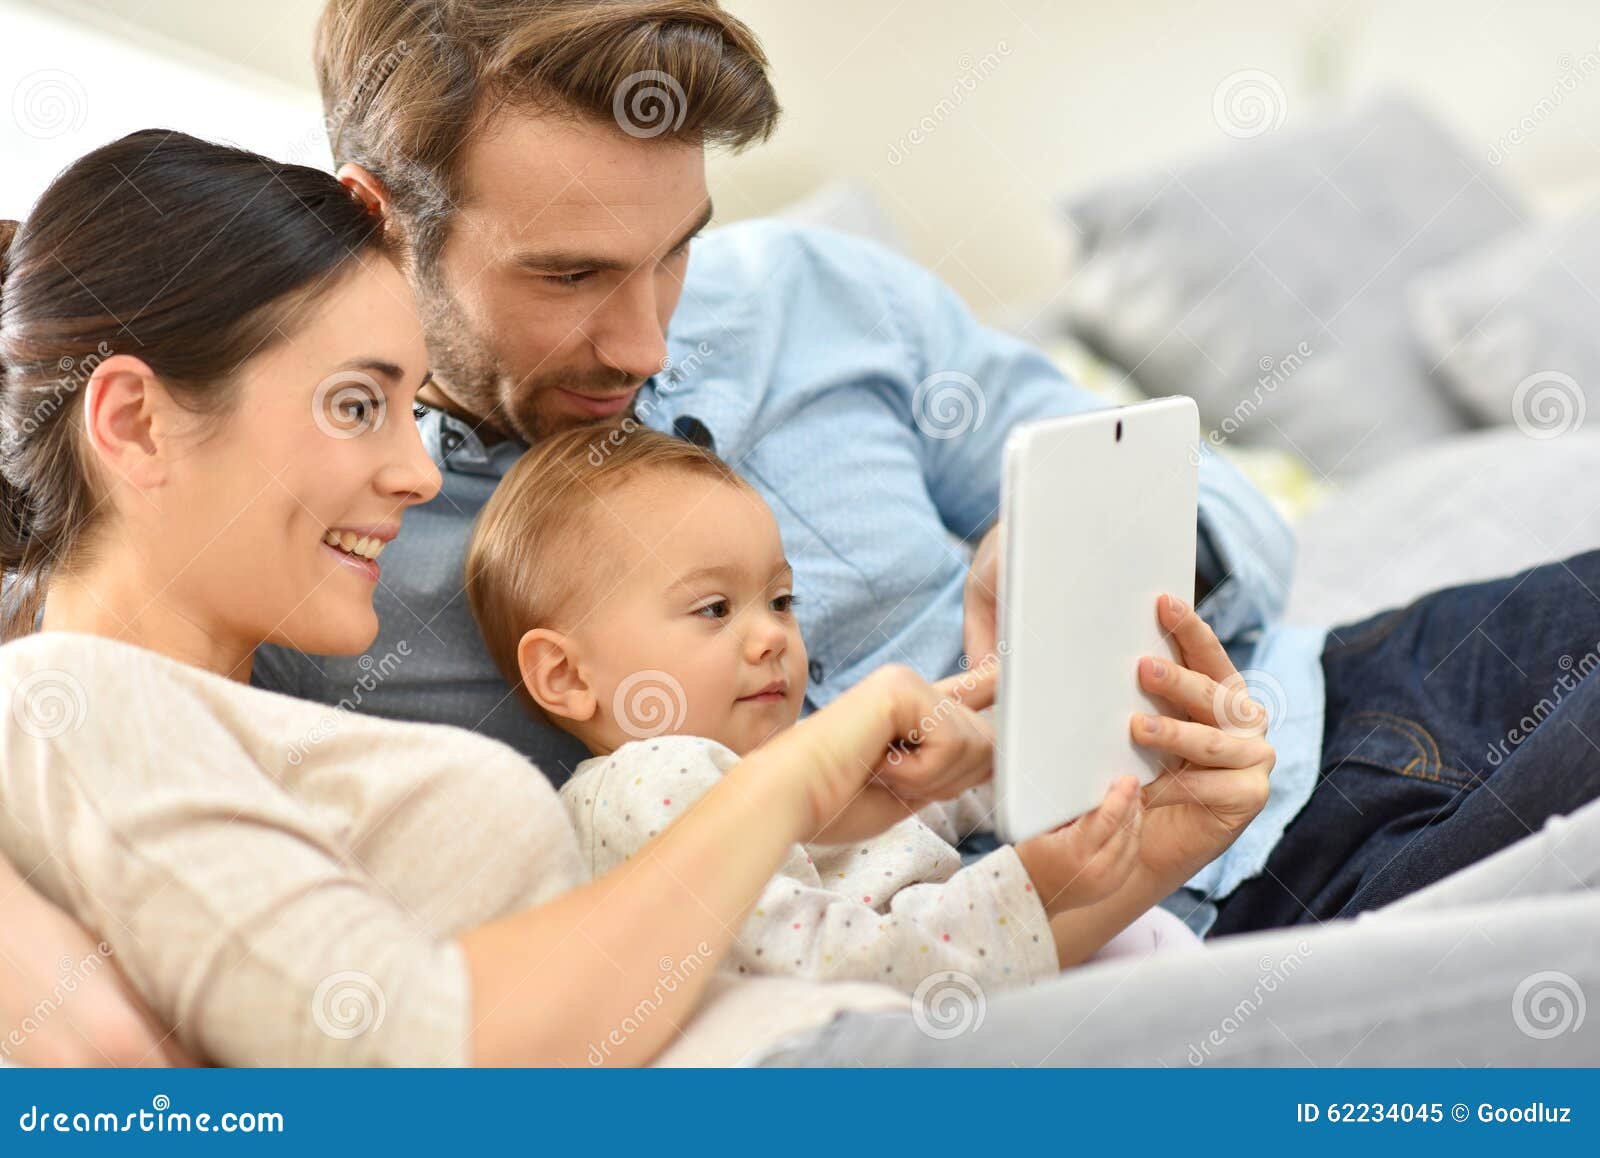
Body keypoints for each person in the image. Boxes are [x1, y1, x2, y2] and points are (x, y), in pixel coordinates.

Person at [0, 131, 1266, 1067]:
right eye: (356, 404)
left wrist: (1150, 850)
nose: (416, 472)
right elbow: (423, 1058)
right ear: (135, 423)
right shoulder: (64, 701)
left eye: (404, 404)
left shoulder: (227, 728)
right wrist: (796, 775)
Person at [464, 426, 1202, 992]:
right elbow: (817, 968)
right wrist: (1032, 885)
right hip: (884, 1036)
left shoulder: (780, 764)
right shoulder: (647, 783)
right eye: (714, 608)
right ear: (566, 676)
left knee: (1154, 946)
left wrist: (1072, 736)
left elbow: (940, 793)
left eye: (781, 600)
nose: (771, 637)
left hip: (962, 995)